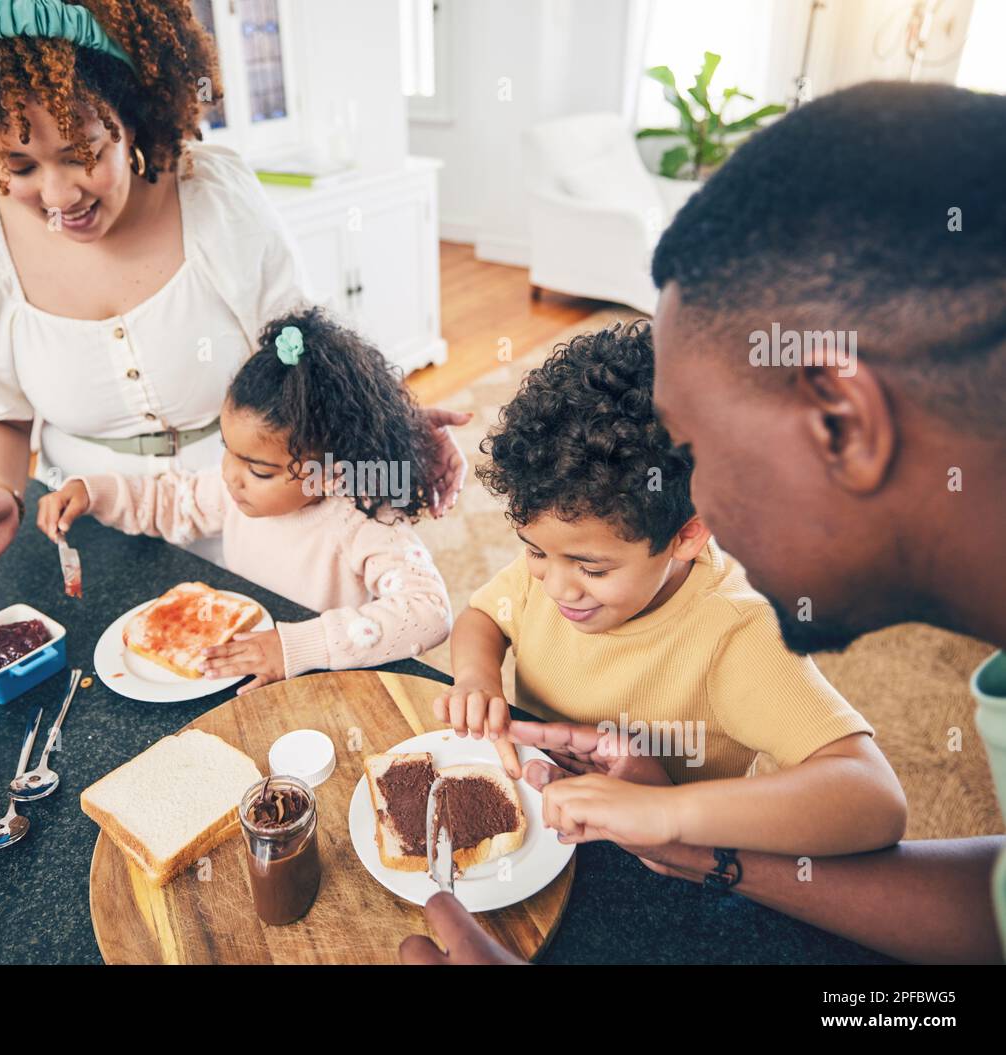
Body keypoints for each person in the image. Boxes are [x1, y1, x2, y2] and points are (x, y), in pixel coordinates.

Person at [403, 81, 1006, 965]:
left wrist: (679, 816)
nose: (693, 505)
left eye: (694, 444)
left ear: (843, 423)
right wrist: (690, 843)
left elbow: (874, 813)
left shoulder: (729, 618)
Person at [0, 0, 467, 600]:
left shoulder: (213, 194)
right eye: (19, 166)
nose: (59, 193)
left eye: (81, 152)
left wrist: (390, 422)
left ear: (132, 114)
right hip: (97, 523)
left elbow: (301, 350)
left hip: (261, 505)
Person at [436, 322, 905, 855]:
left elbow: (874, 799)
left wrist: (663, 812)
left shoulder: (735, 633)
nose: (557, 588)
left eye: (592, 569)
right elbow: (484, 617)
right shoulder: (554, 562)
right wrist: (477, 678)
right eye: (536, 551)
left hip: (669, 858)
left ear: (687, 536)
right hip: (544, 820)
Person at [38, 308, 452, 691]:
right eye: (226, 450)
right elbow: (170, 502)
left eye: (259, 471)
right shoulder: (230, 490)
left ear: (330, 472)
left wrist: (299, 646)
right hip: (241, 671)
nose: (230, 476)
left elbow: (429, 611)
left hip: (326, 682)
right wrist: (92, 493)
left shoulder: (364, 520)